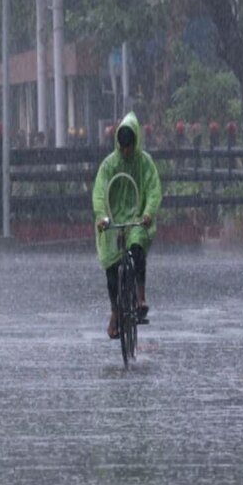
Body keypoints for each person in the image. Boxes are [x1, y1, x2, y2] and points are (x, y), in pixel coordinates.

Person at [92, 112, 162, 339]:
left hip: (137, 219)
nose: (126, 151)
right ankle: (115, 312)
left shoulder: (145, 163)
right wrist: (102, 216)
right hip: (113, 220)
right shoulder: (109, 165)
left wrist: (148, 212)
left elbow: (153, 189)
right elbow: (100, 193)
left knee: (137, 248)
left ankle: (141, 297)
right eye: (122, 147)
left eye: (129, 146)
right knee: (111, 273)